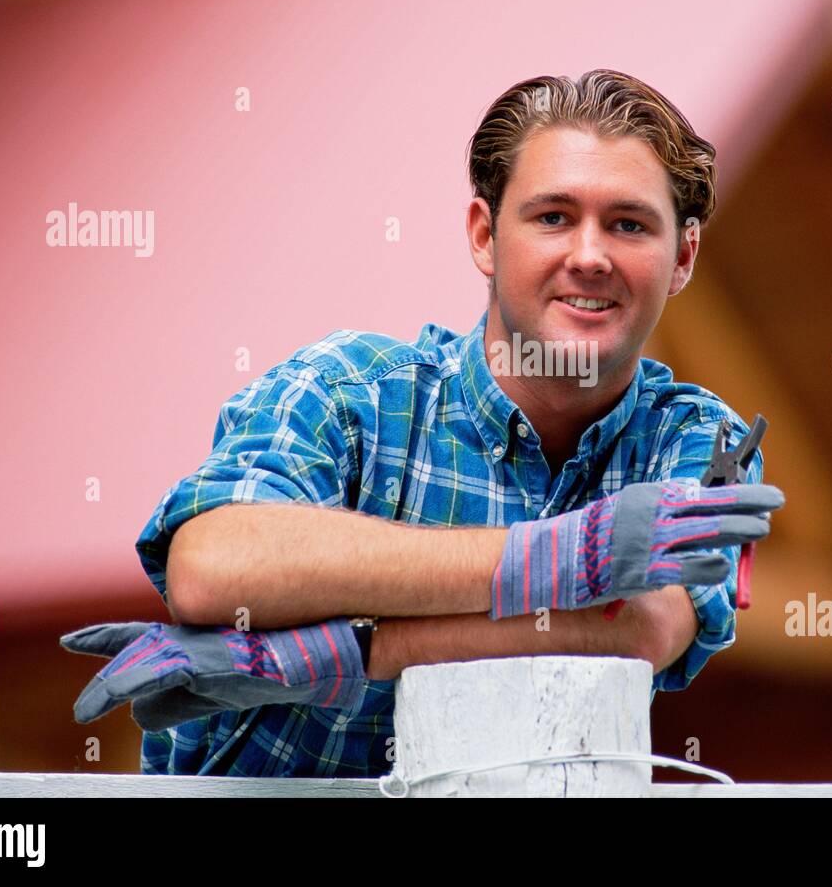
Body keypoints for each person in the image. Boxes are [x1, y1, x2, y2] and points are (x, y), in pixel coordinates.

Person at [61, 68, 784, 777]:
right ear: (484, 236)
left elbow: (645, 628)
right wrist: (565, 559)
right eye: (553, 217)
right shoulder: (352, 394)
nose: (589, 256)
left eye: (629, 224)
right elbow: (213, 570)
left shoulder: (698, 438)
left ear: (683, 256)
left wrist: (340, 653)